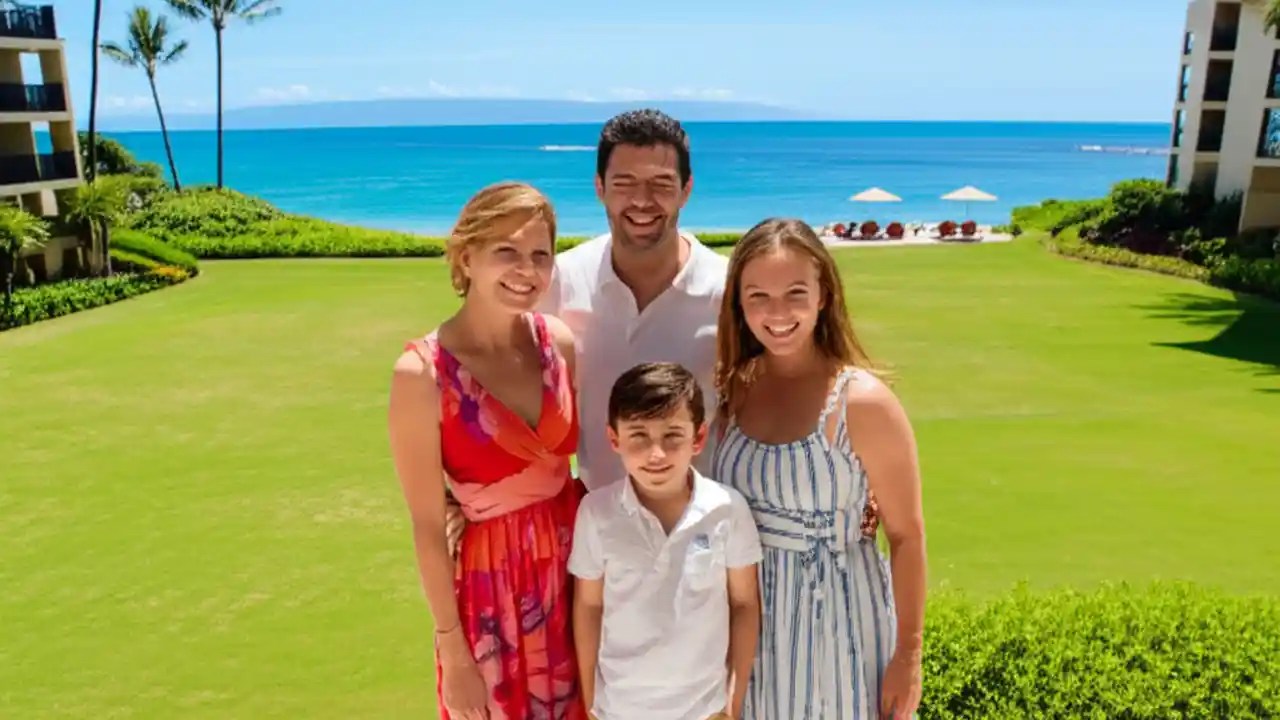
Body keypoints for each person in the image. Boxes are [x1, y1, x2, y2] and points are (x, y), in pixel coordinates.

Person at [711, 218, 928, 720]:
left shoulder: (862, 402)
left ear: (823, 295)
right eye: (758, 296)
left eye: (795, 293)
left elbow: (907, 536)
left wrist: (908, 655)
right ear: (738, 304)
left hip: (838, 619)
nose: (778, 312)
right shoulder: (734, 389)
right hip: (746, 622)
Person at [387, 181, 586, 720]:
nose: (527, 269)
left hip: (578, 577)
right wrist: (453, 651)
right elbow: (428, 527)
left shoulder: (558, 344)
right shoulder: (422, 374)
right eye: (507, 251)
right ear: (466, 257)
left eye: (540, 254)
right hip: (492, 593)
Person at [538, 108, 729, 492]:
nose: (642, 200)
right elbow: (499, 385)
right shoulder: (560, 280)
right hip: (596, 519)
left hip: (707, 520)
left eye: (661, 183)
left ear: (686, 189)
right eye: (624, 183)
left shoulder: (727, 290)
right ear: (600, 187)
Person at [568, 362, 762, 720]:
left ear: (698, 438)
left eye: (672, 435)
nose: (656, 453)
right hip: (620, 710)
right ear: (614, 439)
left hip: (705, 711)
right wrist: (591, 700)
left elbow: (744, 603)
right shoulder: (596, 512)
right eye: (638, 436)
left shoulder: (727, 509)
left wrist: (732, 703)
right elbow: (589, 605)